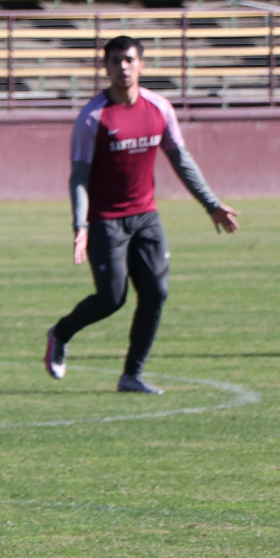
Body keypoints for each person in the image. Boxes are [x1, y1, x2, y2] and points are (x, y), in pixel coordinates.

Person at [45, 36, 239, 393]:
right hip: (106, 219)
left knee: (156, 292)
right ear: (105, 68)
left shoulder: (159, 109)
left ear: (141, 65)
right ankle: (60, 333)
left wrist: (211, 204)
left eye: (129, 60)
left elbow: (180, 160)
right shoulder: (92, 118)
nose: (123, 67)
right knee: (111, 298)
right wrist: (81, 225)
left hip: (145, 216)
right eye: (115, 61)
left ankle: (132, 375)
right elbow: (79, 177)